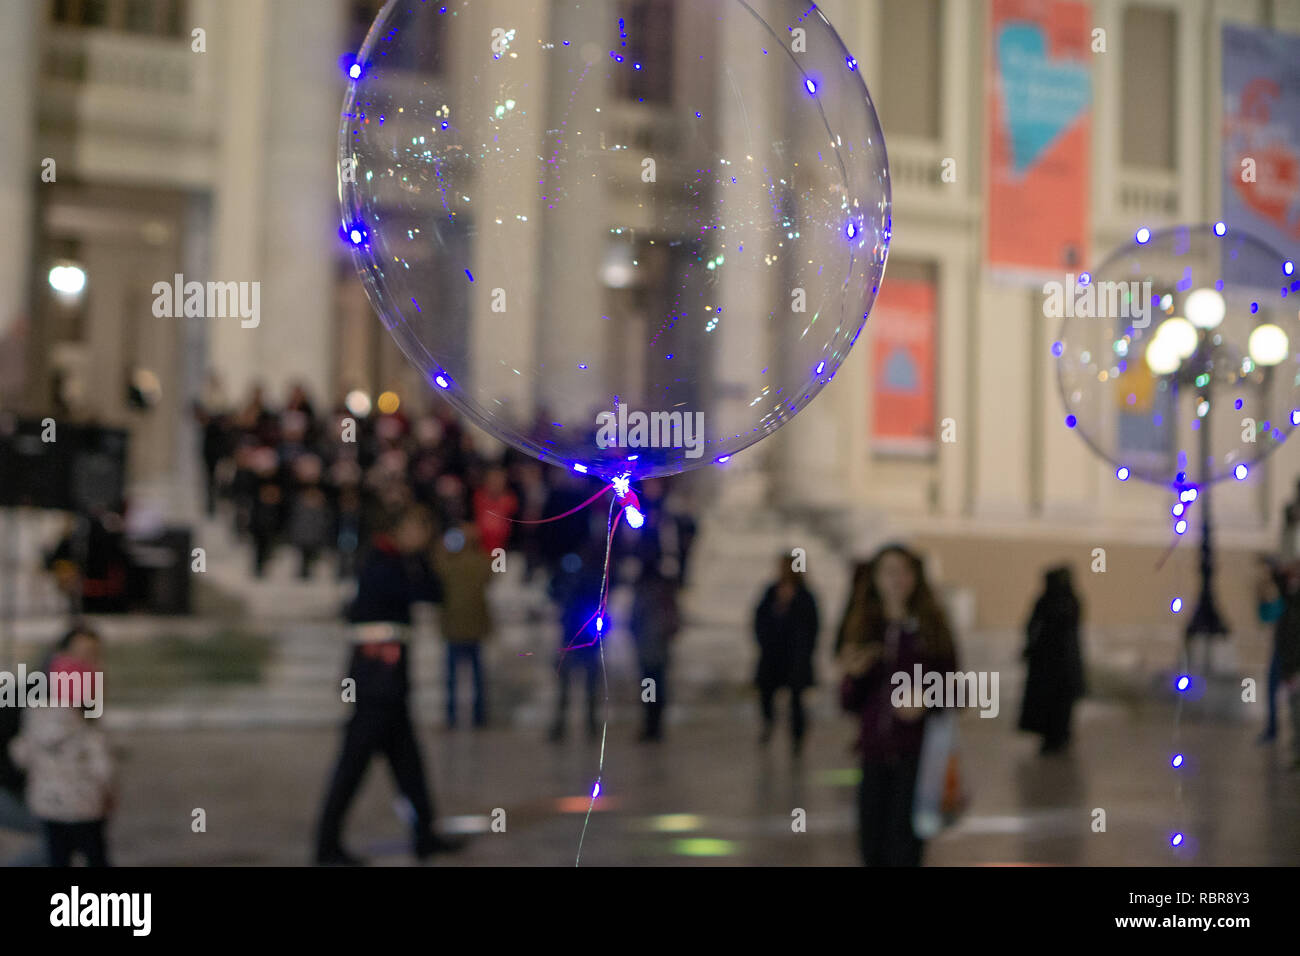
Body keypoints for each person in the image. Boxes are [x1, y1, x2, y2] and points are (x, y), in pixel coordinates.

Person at [314, 506, 463, 865]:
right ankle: (326, 845)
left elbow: (435, 592)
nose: (423, 536)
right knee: (351, 767)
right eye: (418, 528)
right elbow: (410, 594)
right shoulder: (381, 562)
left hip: (392, 685)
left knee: (409, 767)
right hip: (374, 685)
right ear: (400, 529)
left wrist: (422, 559)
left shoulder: (402, 561)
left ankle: (425, 836)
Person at [838, 544, 957, 867]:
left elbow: (955, 691)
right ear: (875, 578)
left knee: (904, 847)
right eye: (888, 571)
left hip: (915, 754)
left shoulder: (931, 628)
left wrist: (926, 700)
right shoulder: (864, 627)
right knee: (871, 845)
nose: (897, 579)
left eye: (904, 571)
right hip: (873, 751)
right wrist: (855, 676)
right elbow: (848, 701)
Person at [9, 626, 113, 867]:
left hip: (46, 805)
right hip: (86, 806)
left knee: (57, 857)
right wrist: (108, 790)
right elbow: (102, 765)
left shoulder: (35, 714)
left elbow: (21, 753)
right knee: (95, 856)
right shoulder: (86, 724)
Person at [753, 556, 820, 754]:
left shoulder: (805, 595)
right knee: (766, 695)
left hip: (796, 658)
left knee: (797, 700)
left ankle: (797, 736)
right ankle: (768, 725)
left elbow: (812, 626)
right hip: (773, 656)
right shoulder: (772, 591)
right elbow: (759, 619)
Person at [1018, 566, 1085, 754]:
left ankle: (1058, 737)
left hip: (1056, 664)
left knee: (1058, 706)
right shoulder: (1062, 601)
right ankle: (1055, 737)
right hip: (1052, 663)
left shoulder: (1062, 602)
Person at [435, 523, 493, 728]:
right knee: (477, 676)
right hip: (474, 627)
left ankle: (452, 718)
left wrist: (442, 547)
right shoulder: (481, 562)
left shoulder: (449, 564)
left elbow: (436, 567)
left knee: (452, 678)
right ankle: (479, 717)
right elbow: (491, 572)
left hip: (454, 627)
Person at [548, 543, 606, 742]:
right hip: (577, 639)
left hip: (579, 639)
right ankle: (579, 727)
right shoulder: (584, 578)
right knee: (573, 687)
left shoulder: (586, 579)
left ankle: (578, 727)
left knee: (577, 687)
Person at [629, 562, 681, 742]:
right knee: (653, 689)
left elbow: (634, 622)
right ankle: (653, 726)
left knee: (650, 690)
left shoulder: (651, 598)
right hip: (654, 652)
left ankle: (653, 726)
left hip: (651, 652)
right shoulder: (663, 598)